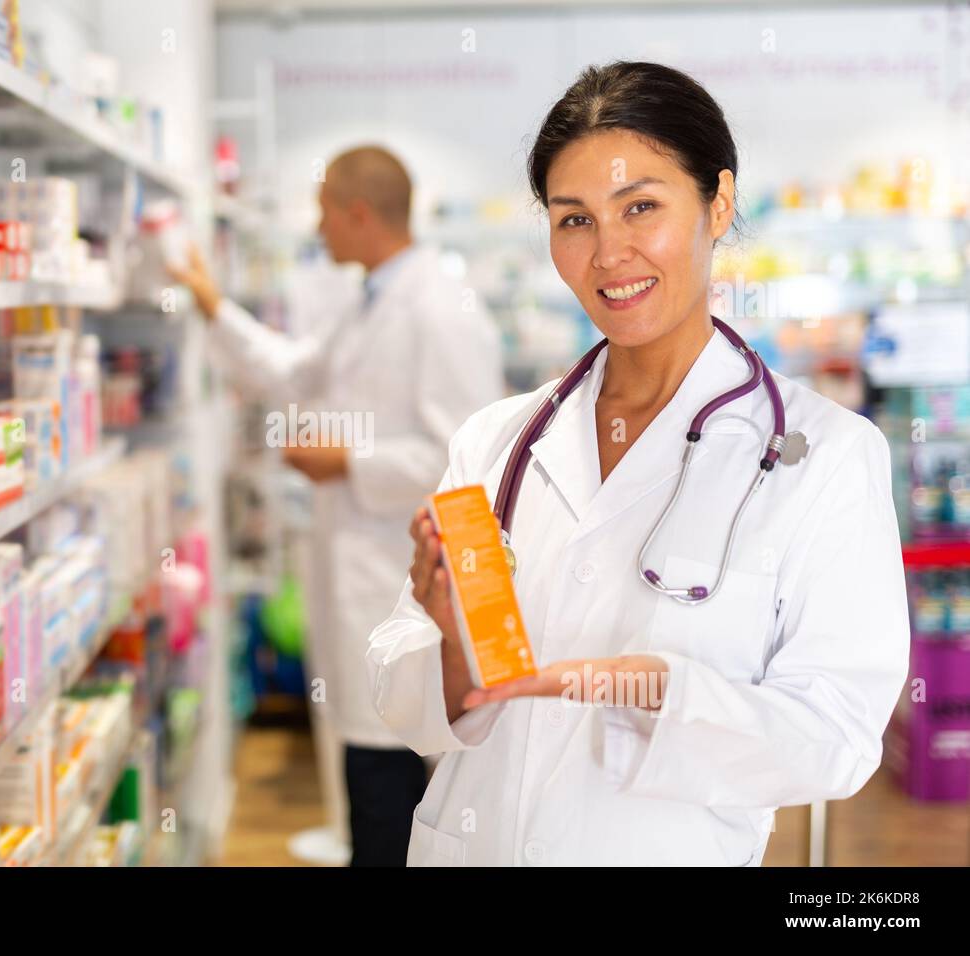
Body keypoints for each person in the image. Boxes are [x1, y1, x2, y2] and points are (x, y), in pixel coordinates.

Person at [366, 62, 910, 866]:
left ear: (718, 202)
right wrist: (451, 650)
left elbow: (837, 736)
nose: (608, 254)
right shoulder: (497, 445)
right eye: (574, 219)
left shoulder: (823, 455)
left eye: (641, 207)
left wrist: (651, 690)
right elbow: (399, 691)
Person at [171, 146, 505, 866]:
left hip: (399, 574)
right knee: (368, 761)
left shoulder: (437, 309)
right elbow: (291, 371)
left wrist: (345, 460)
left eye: (323, 211)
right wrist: (209, 304)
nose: (317, 228)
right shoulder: (371, 298)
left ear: (358, 213)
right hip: (357, 566)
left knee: (388, 775)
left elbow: (467, 460)